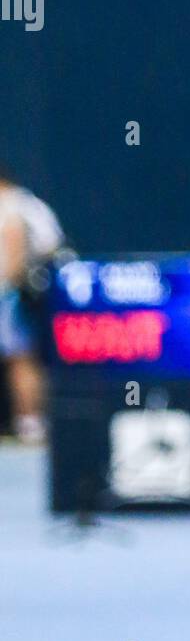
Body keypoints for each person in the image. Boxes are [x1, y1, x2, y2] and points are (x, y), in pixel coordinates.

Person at [0, 167, 63, 444]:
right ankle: (30, 423)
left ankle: (31, 423)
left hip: (10, 295)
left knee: (20, 357)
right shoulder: (26, 202)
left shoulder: (11, 203)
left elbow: (15, 255)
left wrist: (9, 287)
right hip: (15, 293)